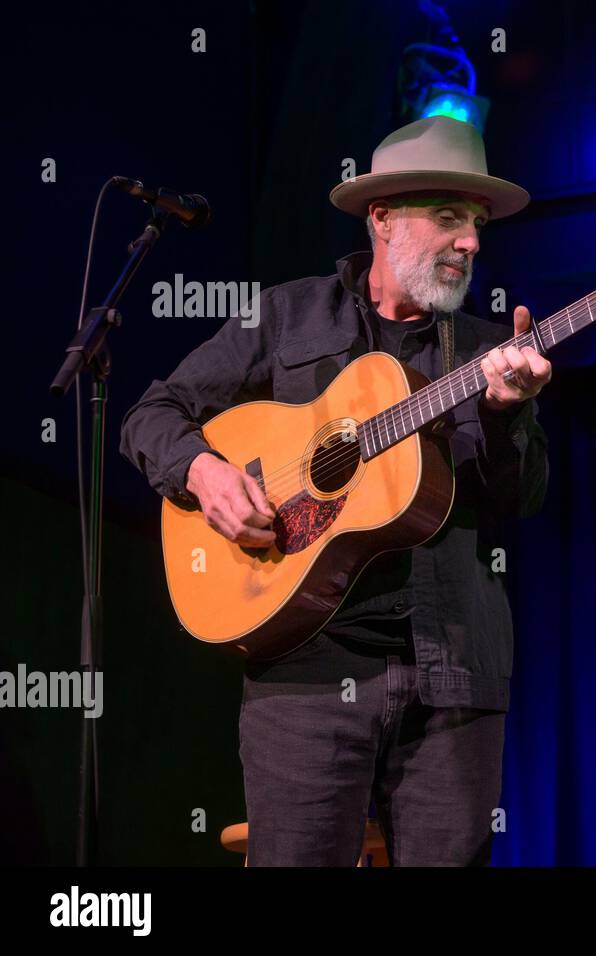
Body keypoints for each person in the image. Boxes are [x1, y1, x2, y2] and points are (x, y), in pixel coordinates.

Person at [120, 116, 550, 865]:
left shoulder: (488, 353)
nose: (472, 242)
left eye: (477, 225)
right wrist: (205, 474)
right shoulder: (286, 316)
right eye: (450, 218)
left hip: (451, 674)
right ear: (381, 218)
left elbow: (521, 500)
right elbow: (153, 414)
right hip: (303, 676)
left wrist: (507, 416)